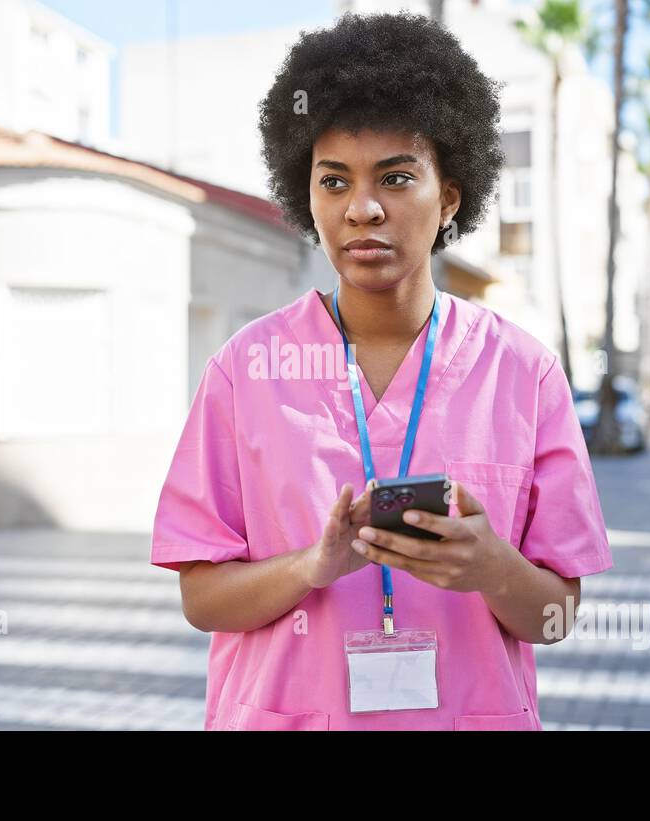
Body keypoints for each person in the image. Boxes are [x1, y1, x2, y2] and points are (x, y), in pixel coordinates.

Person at [150, 12, 612, 730]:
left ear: (450, 196)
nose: (362, 208)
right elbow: (201, 598)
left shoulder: (524, 374)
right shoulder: (245, 371)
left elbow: (555, 618)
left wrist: (490, 566)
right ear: (307, 195)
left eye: (395, 177)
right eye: (334, 181)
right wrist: (313, 565)